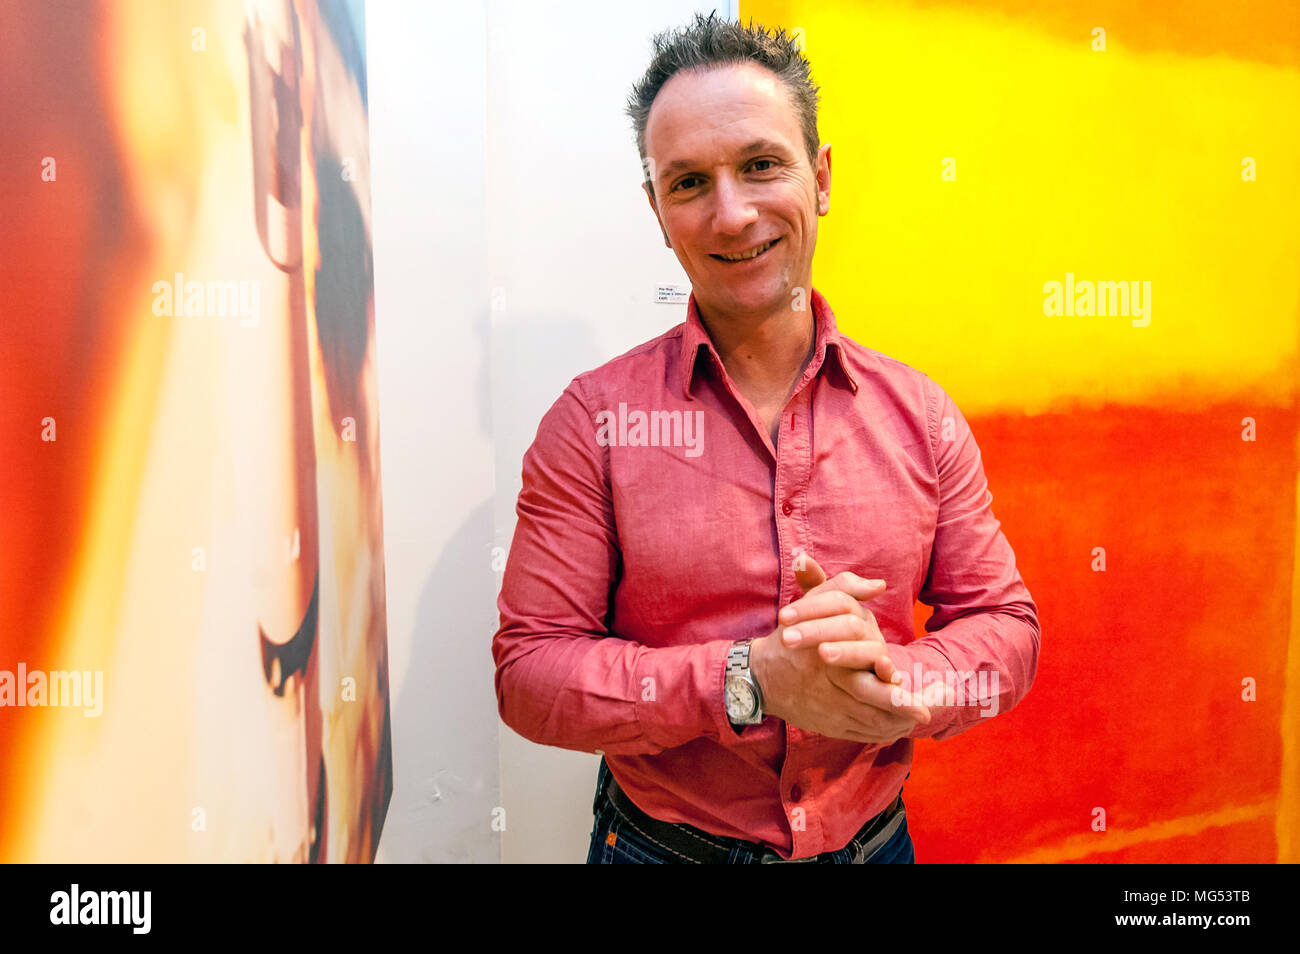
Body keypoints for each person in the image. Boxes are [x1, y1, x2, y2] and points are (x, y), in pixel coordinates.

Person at [491, 12, 1040, 864]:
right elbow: (530, 676)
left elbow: (1005, 628)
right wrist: (748, 680)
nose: (732, 213)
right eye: (688, 183)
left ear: (820, 177)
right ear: (657, 210)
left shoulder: (922, 416)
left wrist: (905, 683)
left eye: (760, 165)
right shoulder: (591, 425)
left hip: (875, 846)